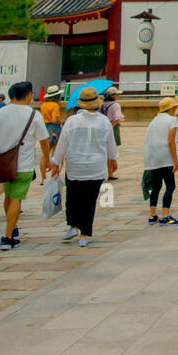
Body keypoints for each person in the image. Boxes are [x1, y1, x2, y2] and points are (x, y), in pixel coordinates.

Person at [0, 80, 51, 251]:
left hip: (4, 163)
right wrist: (47, 159)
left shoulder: (0, 113)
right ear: (28, 95)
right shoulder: (34, 115)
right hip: (24, 165)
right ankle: (8, 237)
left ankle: (12, 227)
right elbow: (44, 141)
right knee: (16, 199)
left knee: (9, 197)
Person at [50, 86, 118, 247]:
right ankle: (84, 234)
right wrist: (113, 159)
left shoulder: (72, 121)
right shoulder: (104, 121)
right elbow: (111, 143)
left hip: (75, 165)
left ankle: (73, 225)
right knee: (89, 201)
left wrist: (56, 162)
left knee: (73, 198)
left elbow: (62, 144)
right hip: (96, 167)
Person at [143, 97, 178, 225]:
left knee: (157, 186)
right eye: (174, 108)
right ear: (170, 109)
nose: (175, 110)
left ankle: (152, 214)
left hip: (152, 157)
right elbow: (171, 141)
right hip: (165, 157)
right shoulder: (172, 120)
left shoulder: (154, 120)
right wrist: (175, 160)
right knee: (170, 186)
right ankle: (165, 215)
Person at [100, 87, 124, 180]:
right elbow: (117, 118)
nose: (118, 96)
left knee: (103, 152)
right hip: (112, 128)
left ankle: (102, 173)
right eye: (116, 94)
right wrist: (110, 127)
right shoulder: (116, 105)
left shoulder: (101, 105)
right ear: (112, 96)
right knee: (111, 151)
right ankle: (110, 173)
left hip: (102, 128)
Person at [41, 86, 63, 159]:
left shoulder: (43, 105)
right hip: (54, 128)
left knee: (45, 153)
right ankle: (54, 168)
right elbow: (54, 120)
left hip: (45, 127)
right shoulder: (55, 105)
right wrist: (60, 121)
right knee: (55, 150)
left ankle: (43, 170)